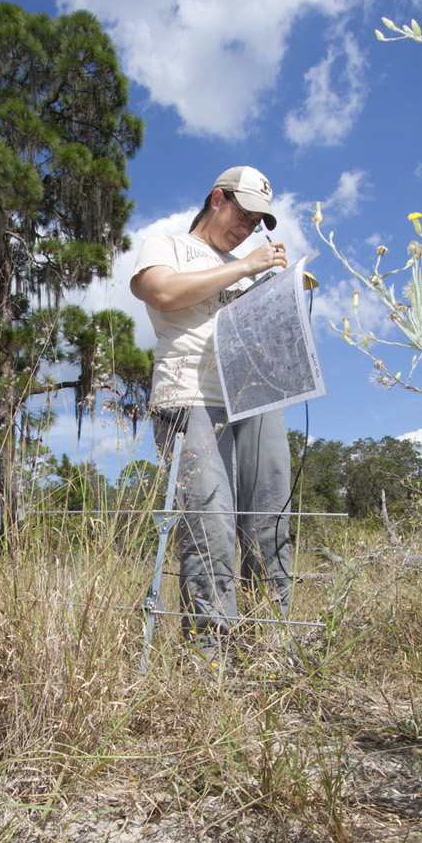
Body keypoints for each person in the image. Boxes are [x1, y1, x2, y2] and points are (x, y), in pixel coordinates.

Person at [130, 165, 292, 657]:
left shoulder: (247, 264)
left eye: (258, 222)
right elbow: (159, 292)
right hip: (191, 397)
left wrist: (284, 297)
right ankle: (210, 660)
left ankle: (272, 649)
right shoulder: (167, 245)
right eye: (243, 213)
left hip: (256, 395)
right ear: (217, 197)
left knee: (271, 517)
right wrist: (247, 267)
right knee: (211, 523)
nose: (248, 228)